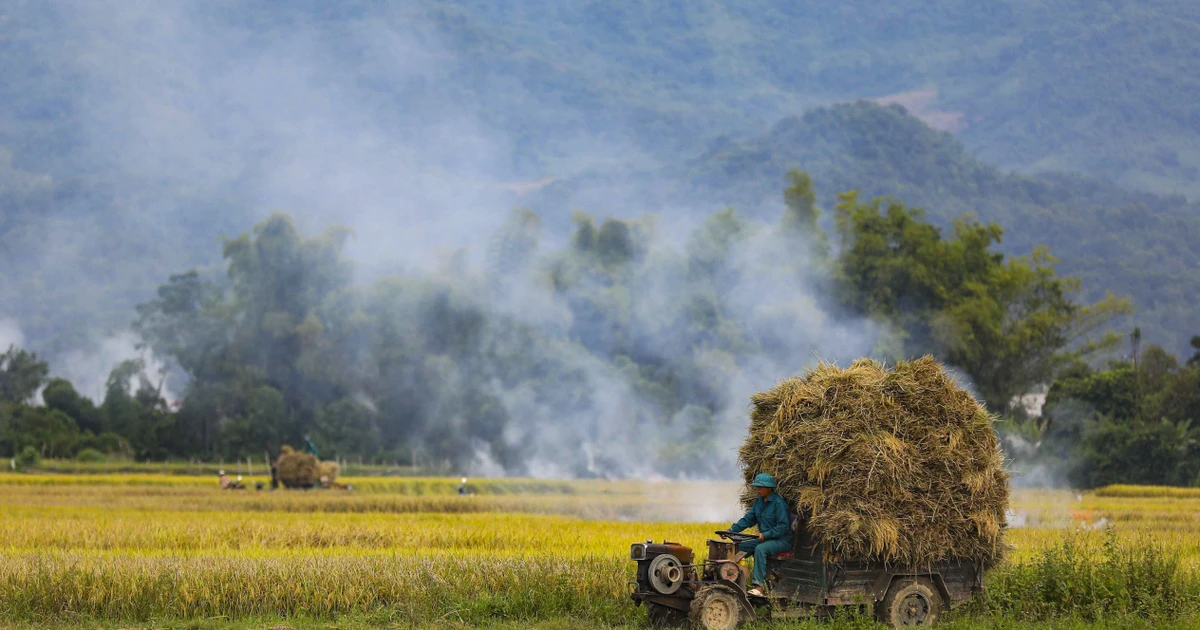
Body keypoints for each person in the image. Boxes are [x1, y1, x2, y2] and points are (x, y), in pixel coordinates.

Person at [728, 472, 793, 597]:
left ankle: (758, 587)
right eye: (757, 487)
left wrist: (766, 535)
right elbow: (748, 519)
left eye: (760, 487)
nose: (757, 490)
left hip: (781, 541)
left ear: (769, 488)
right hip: (765, 539)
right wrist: (732, 530)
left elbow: (783, 527)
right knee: (738, 547)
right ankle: (731, 578)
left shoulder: (779, 504)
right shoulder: (759, 502)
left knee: (760, 549)